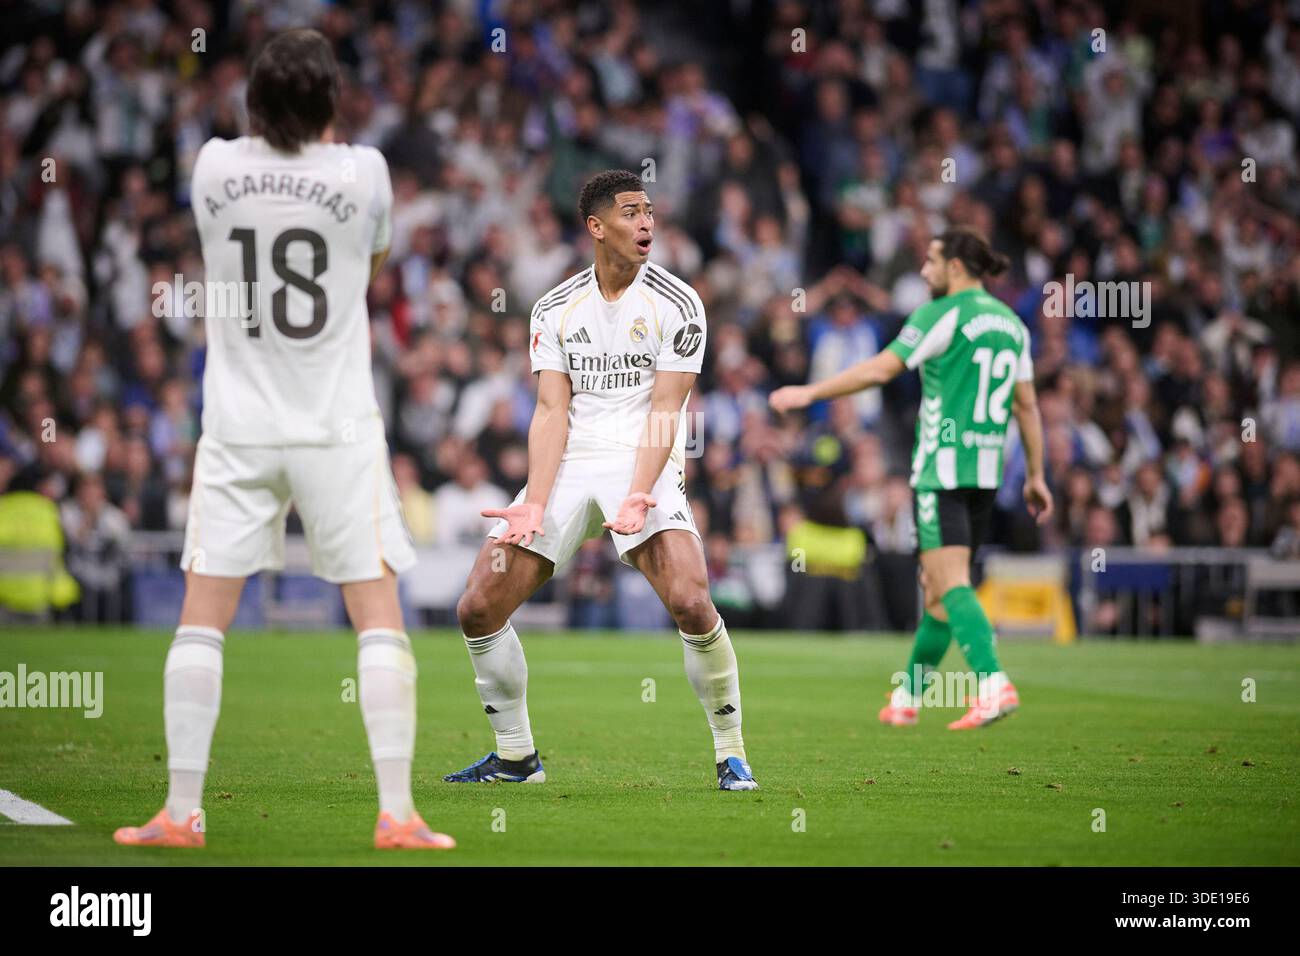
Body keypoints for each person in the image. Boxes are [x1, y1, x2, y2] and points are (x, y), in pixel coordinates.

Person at [114, 29, 453, 850]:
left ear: (254, 104)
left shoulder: (215, 169)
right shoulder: (364, 171)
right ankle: (398, 813)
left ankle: (181, 812)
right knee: (378, 617)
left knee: (202, 619)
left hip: (238, 424)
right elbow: (364, 268)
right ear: (332, 104)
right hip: (335, 424)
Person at [445, 169, 758, 791]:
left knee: (693, 601)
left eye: (649, 212)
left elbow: (667, 409)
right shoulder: (556, 308)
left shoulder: (678, 301)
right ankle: (516, 757)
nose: (646, 223)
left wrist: (643, 492)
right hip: (571, 459)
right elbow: (551, 411)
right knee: (478, 605)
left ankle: (731, 752)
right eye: (630, 212)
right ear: (596, 227)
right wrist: (534, 503)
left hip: (642, 454)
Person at [770, 227, 1053, 729]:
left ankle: (993, 683)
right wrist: (1035, 474)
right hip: (984, 475)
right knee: (937, 590)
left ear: (956, 268)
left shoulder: (939, 315)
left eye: (931, 262)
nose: (924, 272)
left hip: (942, 472)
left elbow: (881, 370)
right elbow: (1026, 405)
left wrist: (810, 394)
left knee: (949, 583)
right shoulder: (1012, 324)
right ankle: (909, 695)